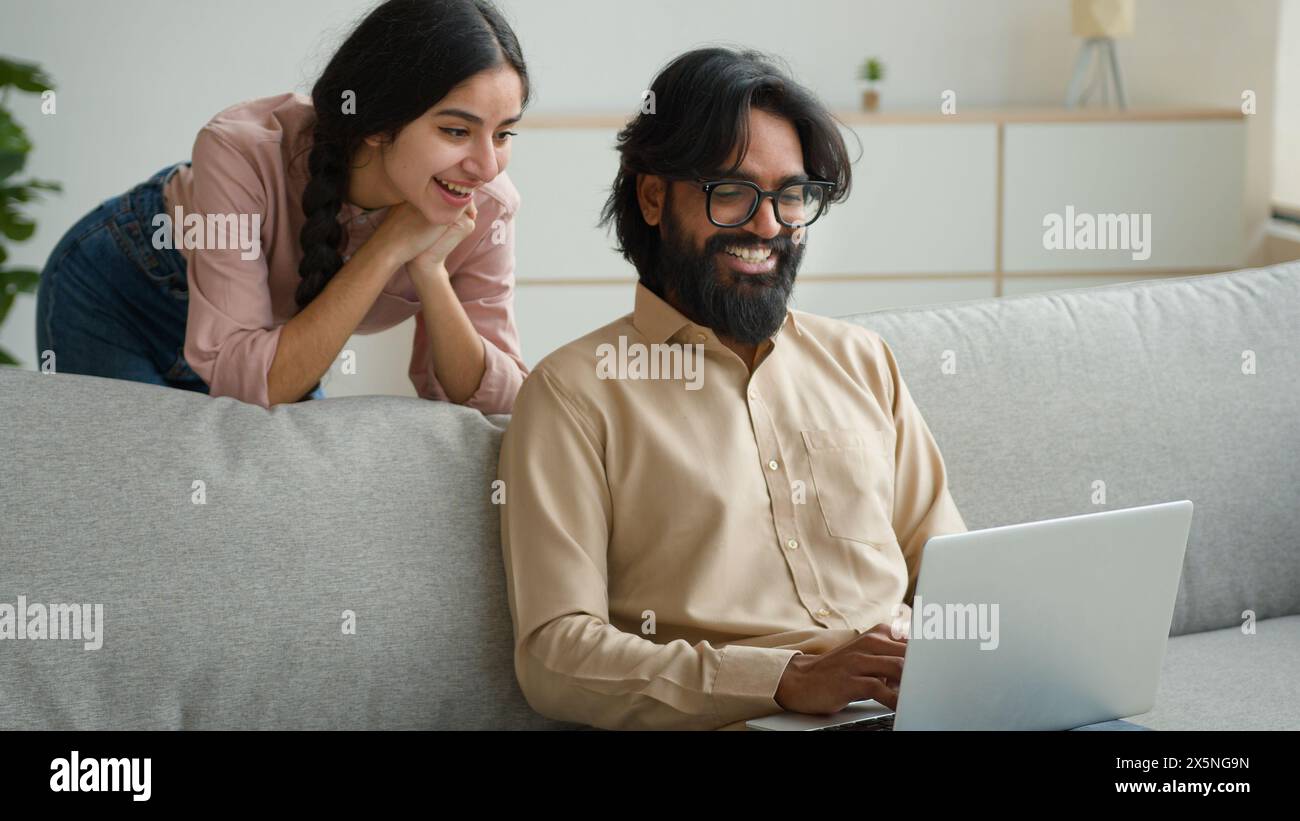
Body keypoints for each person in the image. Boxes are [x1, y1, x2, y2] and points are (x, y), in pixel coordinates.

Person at [498, 47, 968, 730]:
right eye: (732, 193)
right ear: (654, 196)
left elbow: (953, 572)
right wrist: (787, 679)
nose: (768, 224)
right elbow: (555, 654)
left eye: (790, 195)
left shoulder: (863, 361)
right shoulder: (573, 395)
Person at [35, 0, 529, 411]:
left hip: (265, 341)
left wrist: (430, 271)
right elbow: (250, 385)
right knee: (126, 494)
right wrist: (387, 247)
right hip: (128, 289)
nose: (487, 166)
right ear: (377, 123)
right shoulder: (240, 150)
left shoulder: (485, 207)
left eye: (504, 133)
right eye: (456, 131)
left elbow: (498, 402)